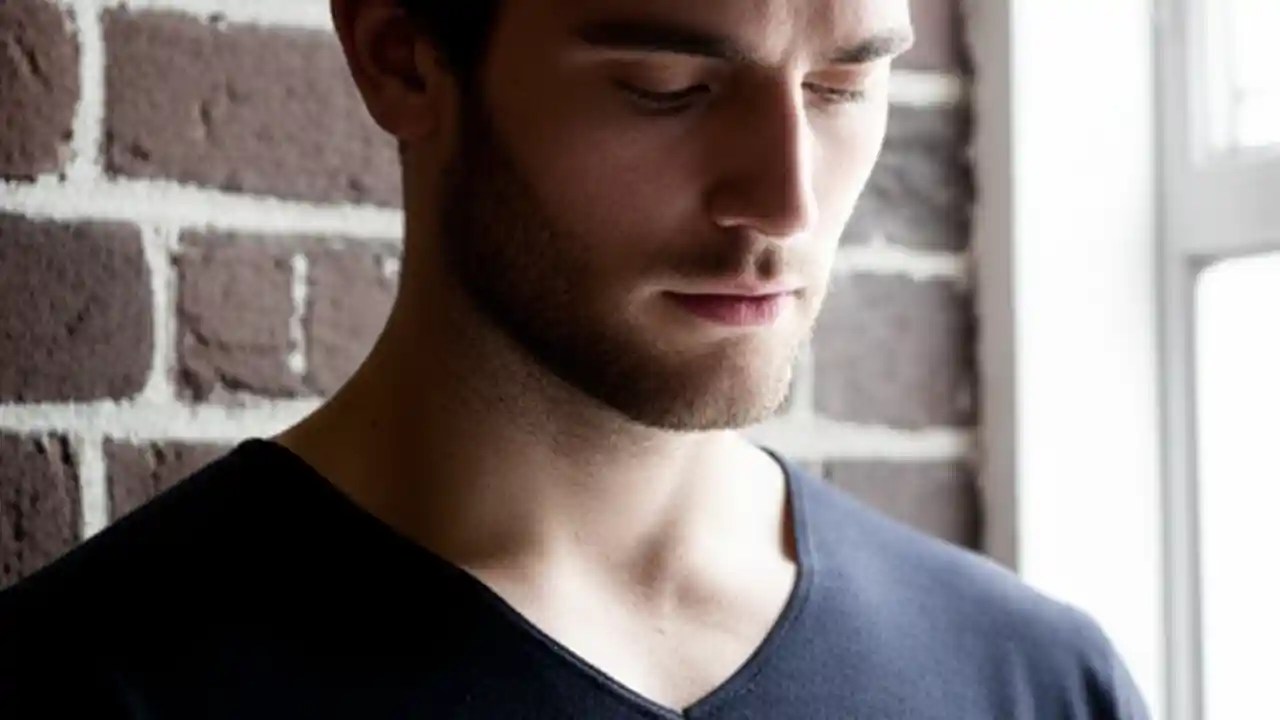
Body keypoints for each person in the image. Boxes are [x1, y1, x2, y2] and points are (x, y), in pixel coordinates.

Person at [0, 0, 1151, 717]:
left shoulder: (1030, 682)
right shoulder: (97, 682)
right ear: (399, 55)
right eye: (670, 90)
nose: (784, 203)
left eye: (841, 87)